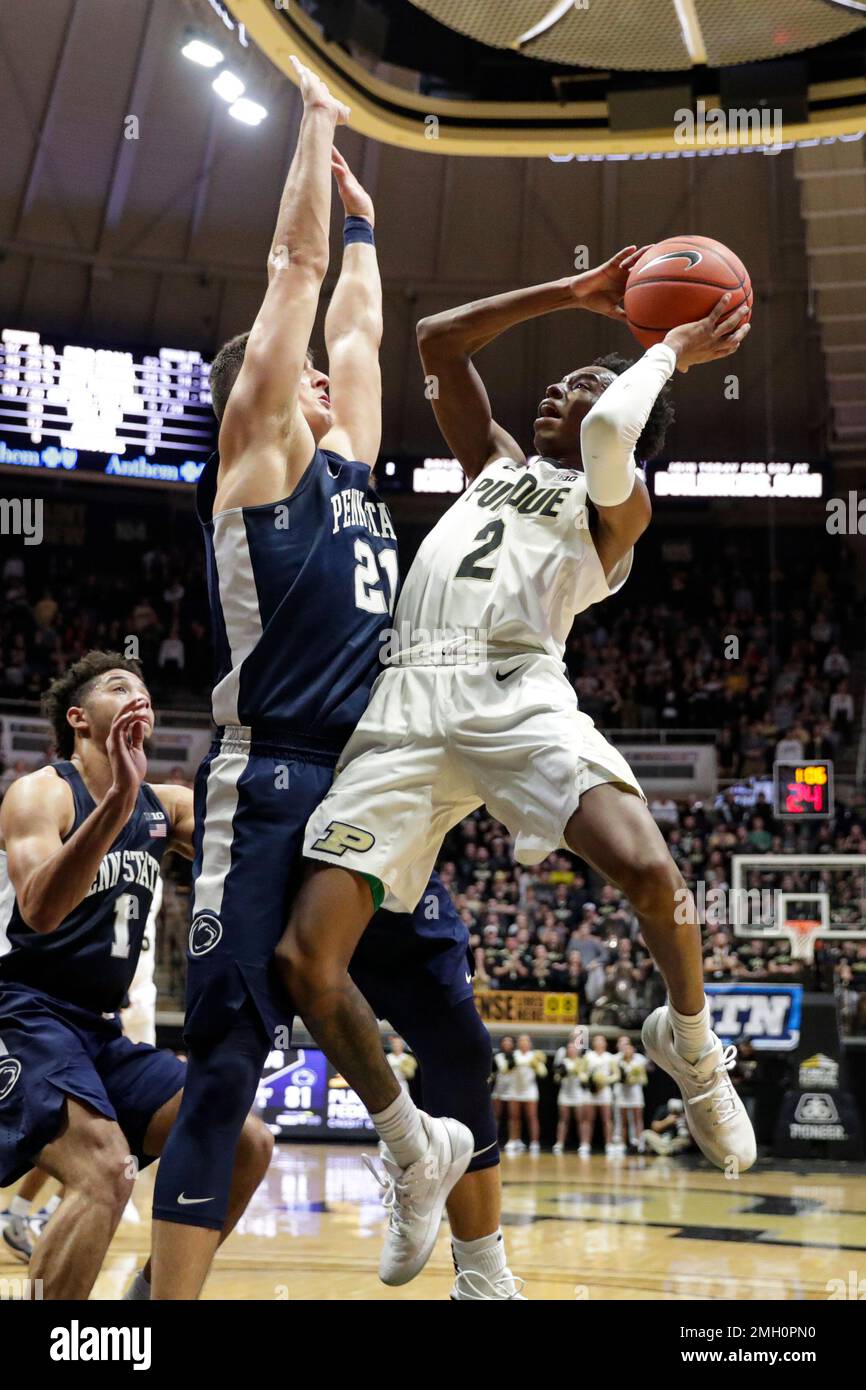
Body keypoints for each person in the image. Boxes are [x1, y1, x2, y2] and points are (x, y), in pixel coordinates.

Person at [150, 60, 522, 1302]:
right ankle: (159, 1319)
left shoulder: (352, 462)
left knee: (461, 1035)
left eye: (320, 377)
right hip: (273, 775)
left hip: (376, 784)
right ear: (256, 393)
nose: (322, 374)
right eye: (297, 371)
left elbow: (355, 315)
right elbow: (294, 287)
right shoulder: (257, 457)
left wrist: (362, 212)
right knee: (225, 1063)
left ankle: (479, 1262)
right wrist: (315, 122)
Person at [287, 252, 756, 1178]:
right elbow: (436, 342)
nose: (560, 386)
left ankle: (693, 1047)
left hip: (516, 691)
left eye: (583, 383)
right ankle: (411, 1147)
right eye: (566, 376)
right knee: (306, 957)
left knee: (653, 873)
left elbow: (620, 423)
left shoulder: (616, 505)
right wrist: (568, 292)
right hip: (407, 702)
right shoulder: (493, 464)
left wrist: (666, 349)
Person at [0, 652, 272, 1298]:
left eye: (145, 691)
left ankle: (147, 1296)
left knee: (246, 1142)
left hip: (103, 1033)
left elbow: (248, 826)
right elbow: (39, 909)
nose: (139, 696)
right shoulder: (42, 791)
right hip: (24, 1015)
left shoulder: (162, 805)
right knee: (106, 1170)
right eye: (120, 686)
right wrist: (118, 800)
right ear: (79, 719)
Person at [505, 1034, 547, 1155]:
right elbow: (505, 1070)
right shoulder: (513, 1055)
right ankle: (513, 1140)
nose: (523, 1043)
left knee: (532, 1117)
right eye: (521, 1041)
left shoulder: (535, 1056)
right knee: (514, 1117)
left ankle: (534, 1142)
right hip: (514, 1090)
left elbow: (543, 1073)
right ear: (518, 1043)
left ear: (530, 1044)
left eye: (526, 1041)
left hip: (530, 1091)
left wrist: (537, 1065)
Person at [553, 1039, 592, 1154]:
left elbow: (586, 1079)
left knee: (581, 1120)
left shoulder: (582, 1062)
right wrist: (560, 1074)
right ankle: (559, 1143)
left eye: (573, 1048)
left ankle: (584, 1144)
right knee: (563, 1119)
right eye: (569, 1048)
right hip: (565, 1093)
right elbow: (556, 1078)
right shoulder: (563, 1062)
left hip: (579, 1094)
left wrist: (581, 1075)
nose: (571, 1050)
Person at [614, 1036, 648, 1151]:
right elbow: (615, 1076)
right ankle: (623, 1144)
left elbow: (644, 1079)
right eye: (625, 1049)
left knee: (637, 1118)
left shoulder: (639, 1061)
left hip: (635, 1093)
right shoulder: (617, 1061)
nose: (627, 1051)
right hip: (623, 1093)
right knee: (623, 1120)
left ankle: (640, 1143)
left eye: (629, 1048)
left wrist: (635, 1079)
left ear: (633, 1049)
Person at [492, 1034, 516, 1129]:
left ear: (513, 1044)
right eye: (504, 1041)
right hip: (498, 1089)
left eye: (509, 1041)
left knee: (513, 1117)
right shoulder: (497, 1056)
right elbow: (492, 1072)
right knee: (495, 1116)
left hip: (513, 1090)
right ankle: (493, 1139)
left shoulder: (517, 1056)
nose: (506, 1043)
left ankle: (513, 1140)